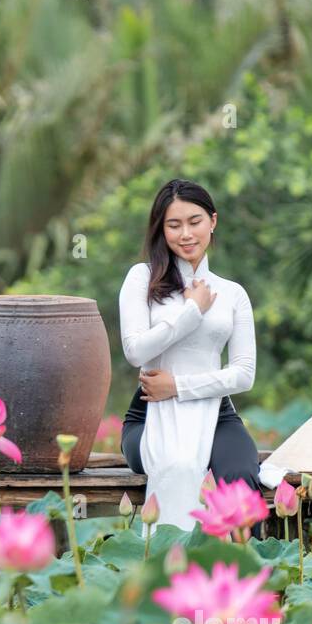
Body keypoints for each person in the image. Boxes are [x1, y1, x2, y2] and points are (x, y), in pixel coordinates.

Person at [117, 178, 263, 536]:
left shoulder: (232, 293)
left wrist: (178, 386)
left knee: (242, 477)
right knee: (179, 465)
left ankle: (254, 572)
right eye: (173, 224)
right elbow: (135, 351)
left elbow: (244, 374)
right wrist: (191, 313)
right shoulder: (142, 279)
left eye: (194, 221)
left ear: (213, 221)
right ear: (160, 229)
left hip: (215, 413)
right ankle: (170, 565)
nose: (185, 234)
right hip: (151, 413)